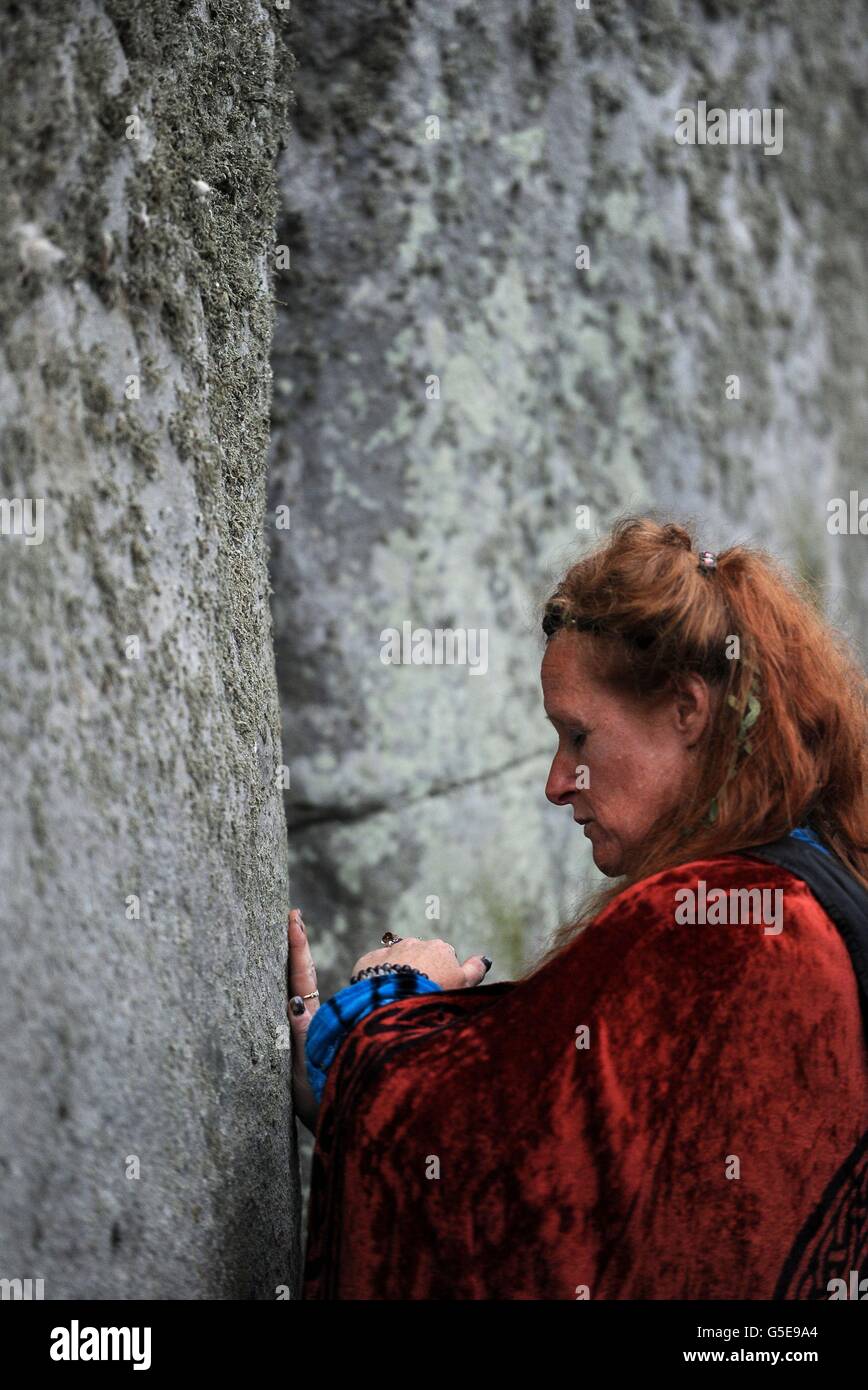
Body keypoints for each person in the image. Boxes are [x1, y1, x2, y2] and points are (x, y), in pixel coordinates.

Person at [287, 517, 868, 1299]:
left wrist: (382, 1013)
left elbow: (510, 1200)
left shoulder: (725, 925)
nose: (559, 783)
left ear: (687, 710)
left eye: (578, 736)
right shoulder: (812, 891)